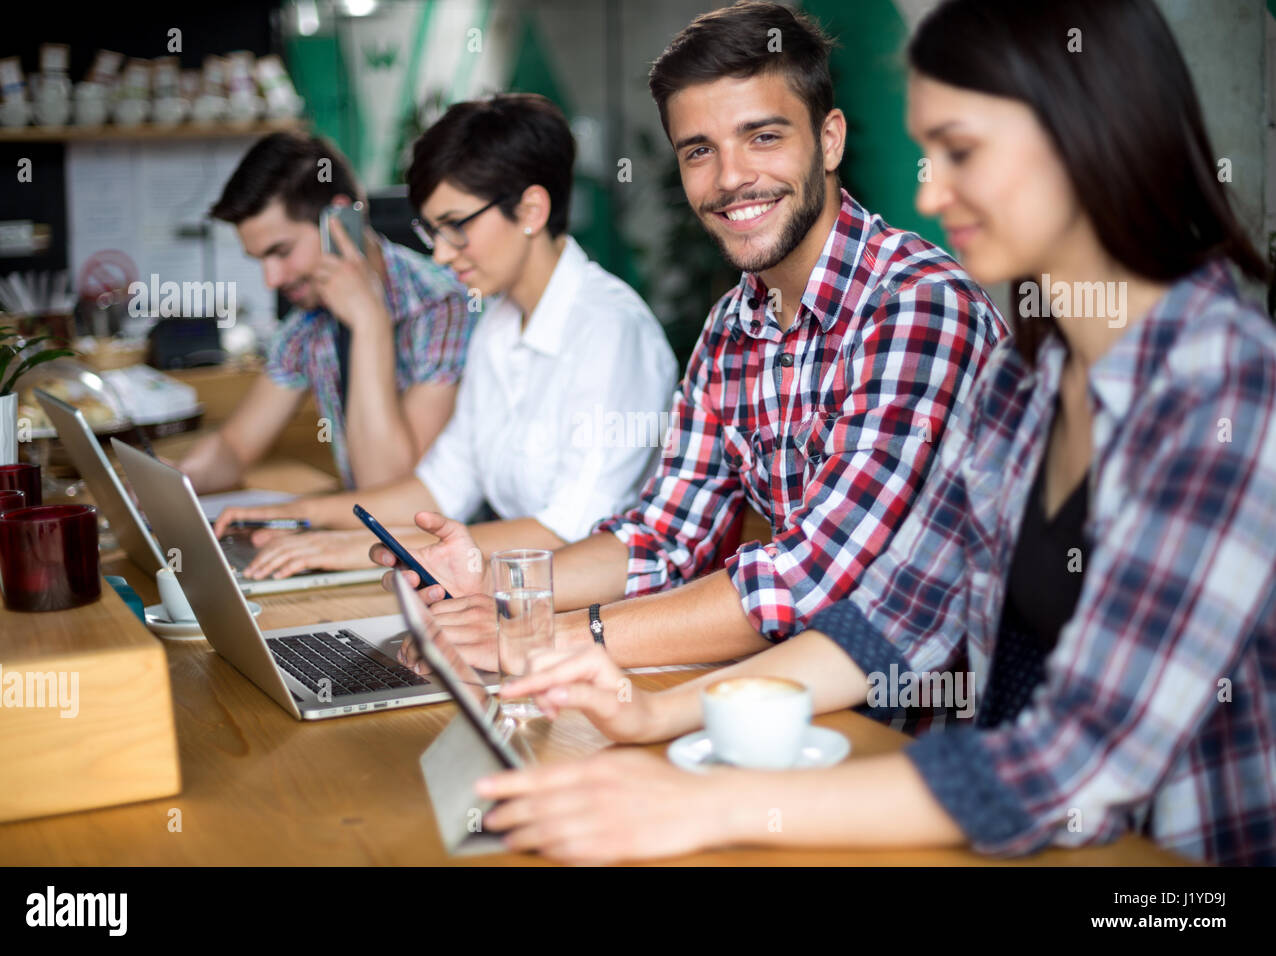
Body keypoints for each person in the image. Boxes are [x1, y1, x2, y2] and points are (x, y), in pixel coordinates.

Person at [463, 0, 1276, 867]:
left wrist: (713, 801)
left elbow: (1071, 761)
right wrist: (652, 712)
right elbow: (894, 619)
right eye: (931, 152)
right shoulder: (1029, 381)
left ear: (1088, 133)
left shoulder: (1221, 388)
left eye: (961, 150)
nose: (930, 191)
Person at [374, 2, 1005, 670]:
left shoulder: (918, 308)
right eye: (699, 151)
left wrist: (542, 638)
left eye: (763, 137)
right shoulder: (733, 326)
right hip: (790, 699)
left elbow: (809, 577)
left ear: (829, 140)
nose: (731, 178)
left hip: (928, 731)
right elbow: (662, 536)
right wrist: (496, 586)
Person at [211, 94, 677, 577]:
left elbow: (568, 532)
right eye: (434, 232)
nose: (440, 255)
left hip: (604, 618)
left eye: (456, 227)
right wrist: (300, 514)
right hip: (521, 597)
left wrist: (355, 549)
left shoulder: (609, 329)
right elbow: (437, 488)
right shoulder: (498, 324)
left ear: (532, 210)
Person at [179, 132, 474, 494]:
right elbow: (235, 447)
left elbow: (387, 489)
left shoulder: (444, 306)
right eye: (260, 260)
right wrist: (176, 482)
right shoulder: (306, 325)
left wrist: (370, 324)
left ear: (339, 220)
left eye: (282, 251)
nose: (272, 279)